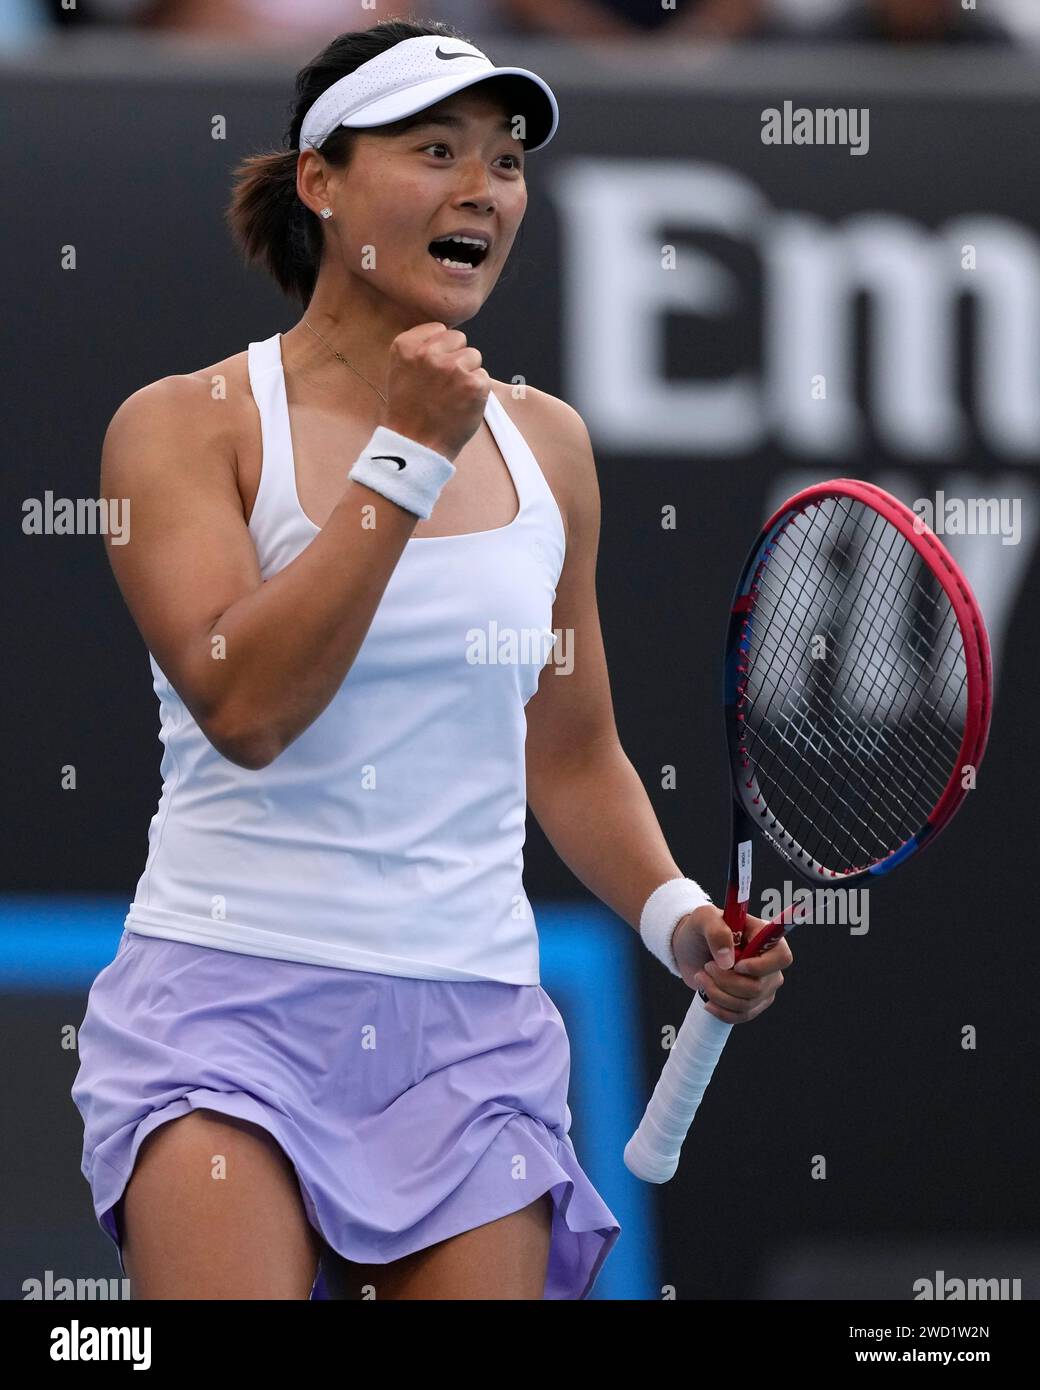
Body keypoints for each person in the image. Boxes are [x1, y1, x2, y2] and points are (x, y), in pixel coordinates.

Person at [71, 17, 792, 1301]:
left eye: (505, 162)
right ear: (320, 179)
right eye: (434, 150)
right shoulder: (183, 427)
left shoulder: (548, 447)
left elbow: (568, 751)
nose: (483, 190)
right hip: (224, 1009)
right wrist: (401, 458)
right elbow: (244, 704)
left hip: (470, 1033)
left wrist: (679, 919)